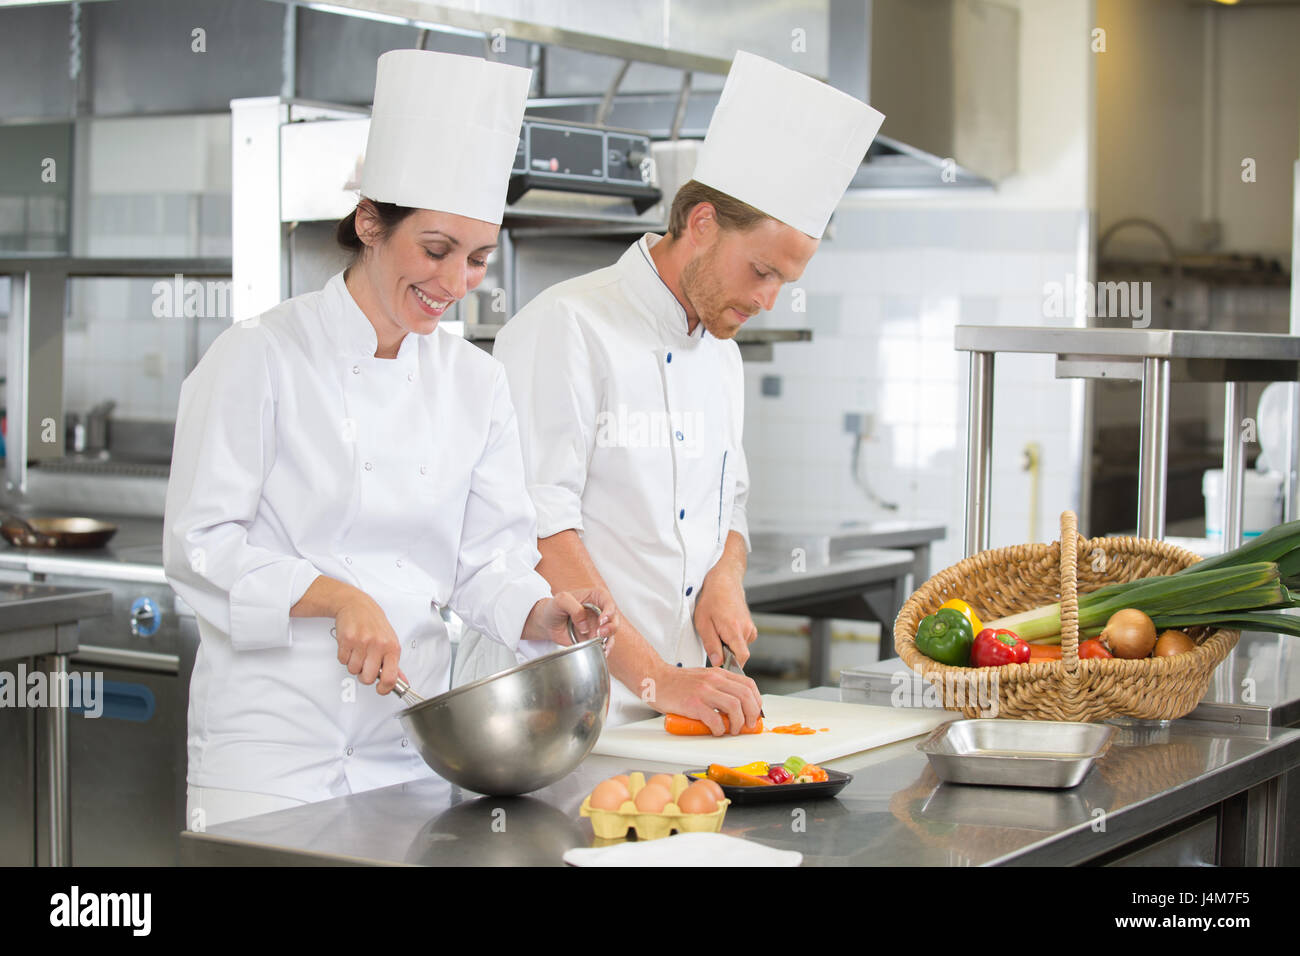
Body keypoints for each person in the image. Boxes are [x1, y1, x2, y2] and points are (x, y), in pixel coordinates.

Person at [164, 49, 615, 828]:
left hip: (411, 742)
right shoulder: (259, 356)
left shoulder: (476, 383)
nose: (455, 282)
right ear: (370, 223)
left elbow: (487, 563)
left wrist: (542, 611)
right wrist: (336, 597)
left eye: (477, 259)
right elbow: (199, 547)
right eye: (435, 250)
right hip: (271, 751)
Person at [491, 51, 882, 731]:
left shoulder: (721, 353)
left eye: (782, 283)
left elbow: (729, 504)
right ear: (701, 224)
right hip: (578, 713)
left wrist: (725, 577)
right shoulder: (566, 327)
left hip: (685, 704)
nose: (766, 299)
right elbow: (539, 532)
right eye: (760, 270)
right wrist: (657, 678)